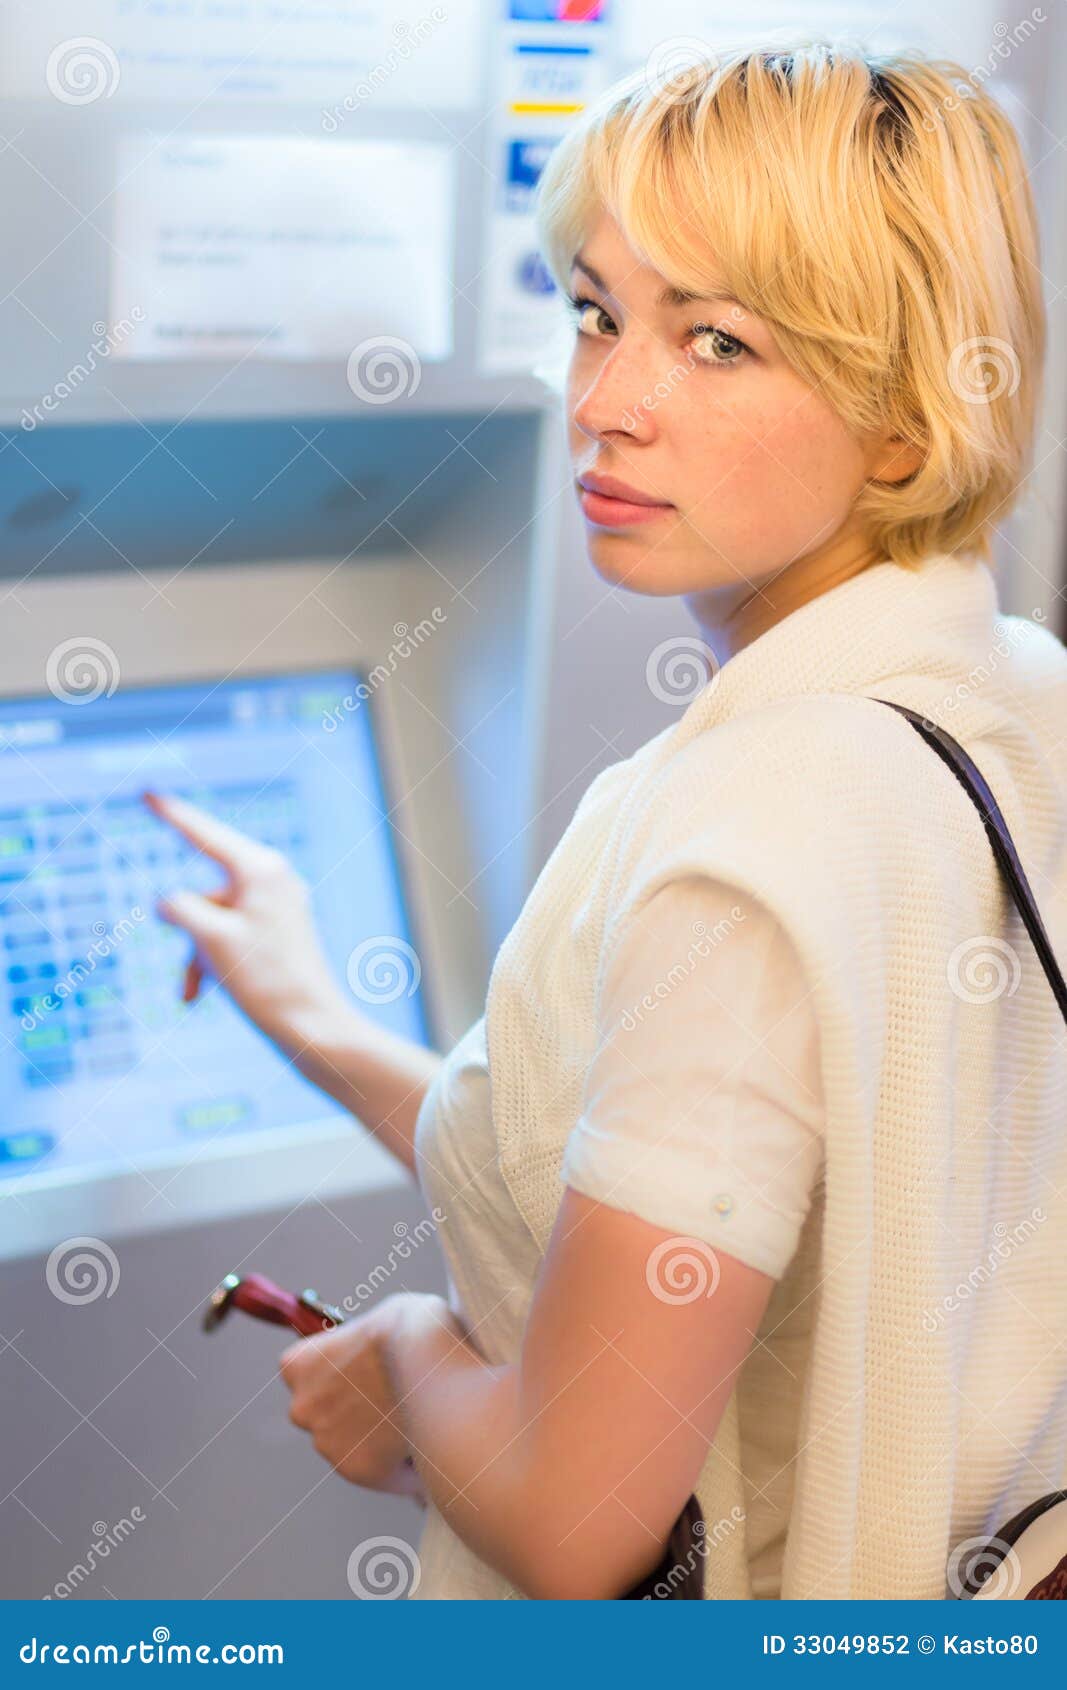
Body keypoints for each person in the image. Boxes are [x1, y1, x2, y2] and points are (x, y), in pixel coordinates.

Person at [144, 39, 1067, 1600]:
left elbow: (583, 1520)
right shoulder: (1012, 697)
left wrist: (417, 1368)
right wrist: (312, 1011)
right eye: (598, 314)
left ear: (905, 425)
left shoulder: (751, 833)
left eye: (716, 342)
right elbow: (662, 1179)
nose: (605, 402)